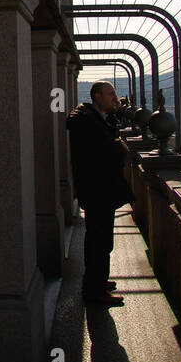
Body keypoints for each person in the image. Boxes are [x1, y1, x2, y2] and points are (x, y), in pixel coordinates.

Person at [66, 80, 130, 308]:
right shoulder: (87, 122)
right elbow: (110, 151)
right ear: (97, 97)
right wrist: (119, 145)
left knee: (100, 240)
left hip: (97, 190)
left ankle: (97, 282)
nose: (115, 97)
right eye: (110, 94)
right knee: (99, 242)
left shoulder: (91, 119)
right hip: (98, 191)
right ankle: (94, 291)